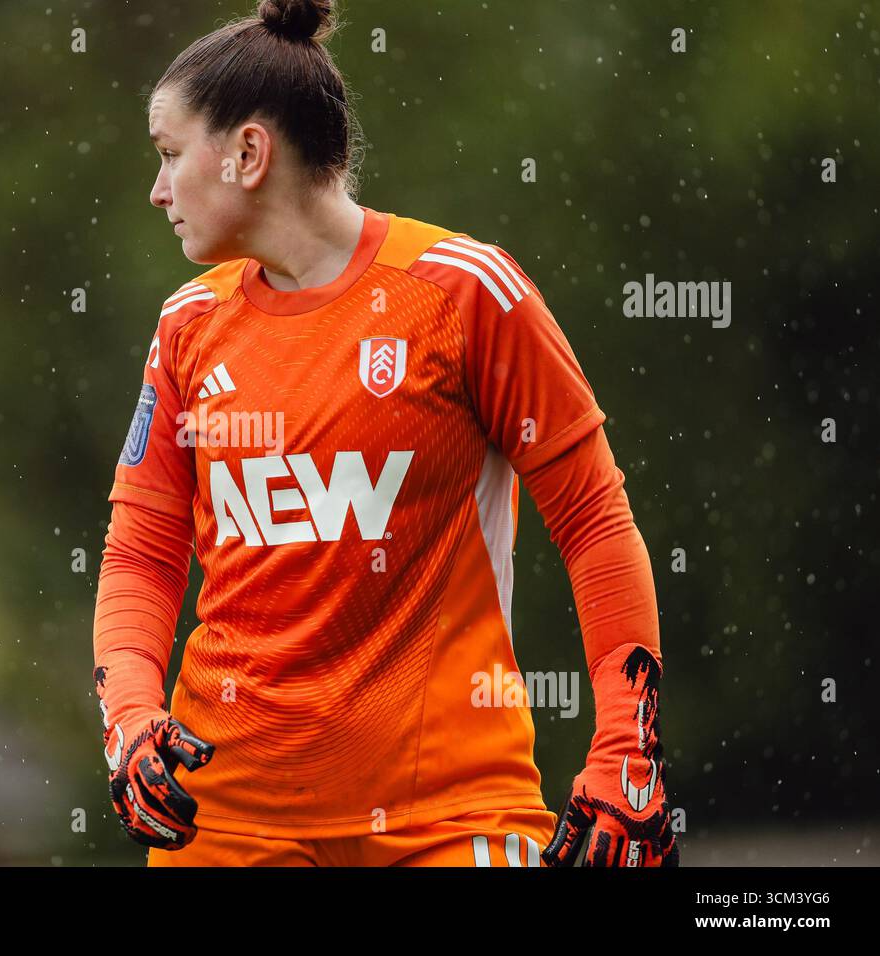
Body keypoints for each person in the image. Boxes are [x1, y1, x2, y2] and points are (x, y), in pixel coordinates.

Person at [92, 0, 678, 867]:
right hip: (225, 823)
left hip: (451, 817)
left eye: (171, 156)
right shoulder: (186, 325)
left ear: (249, 153)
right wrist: (133, 718)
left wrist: (627, 748)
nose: (158, 188)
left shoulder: (467, 294)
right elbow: (141, 553)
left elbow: (594, 521)